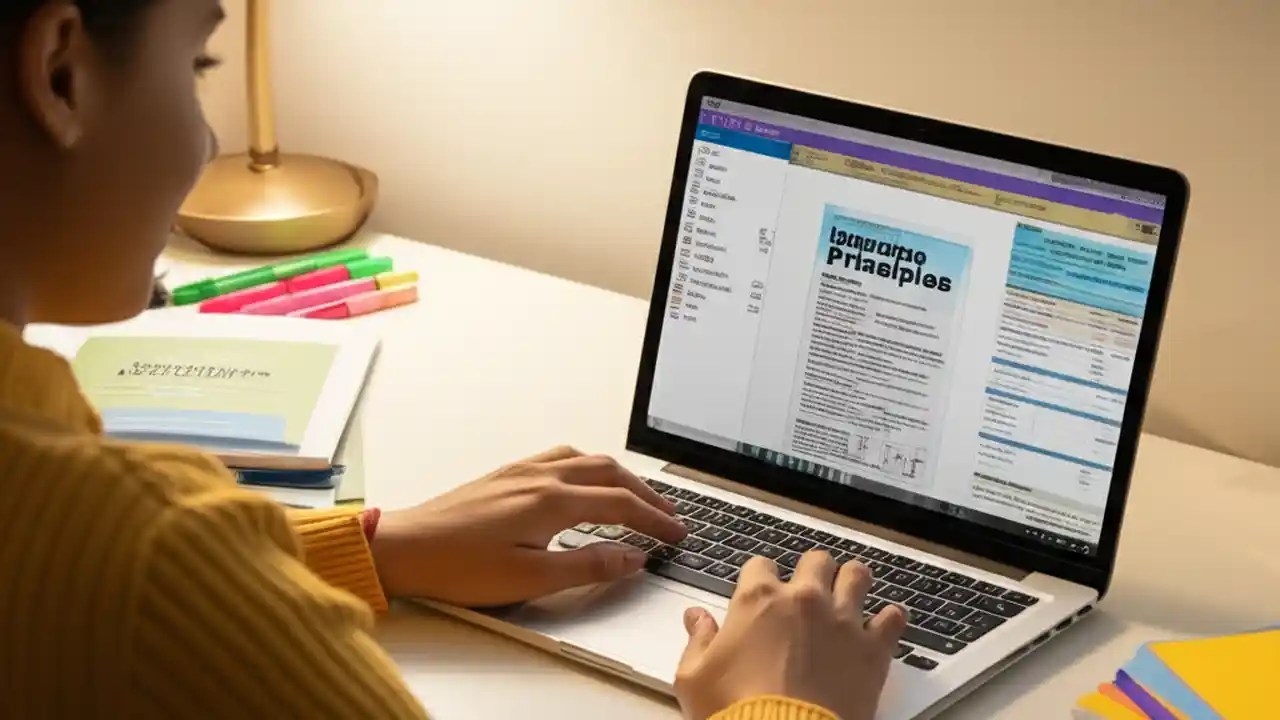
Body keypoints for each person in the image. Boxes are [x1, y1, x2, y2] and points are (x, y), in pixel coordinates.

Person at [0, 1, 907, 718]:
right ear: (59, 72)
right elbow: (143, 577)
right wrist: (782, 707)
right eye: (196, 64)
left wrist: (371, 551)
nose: (205, 143)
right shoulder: (151, 547)